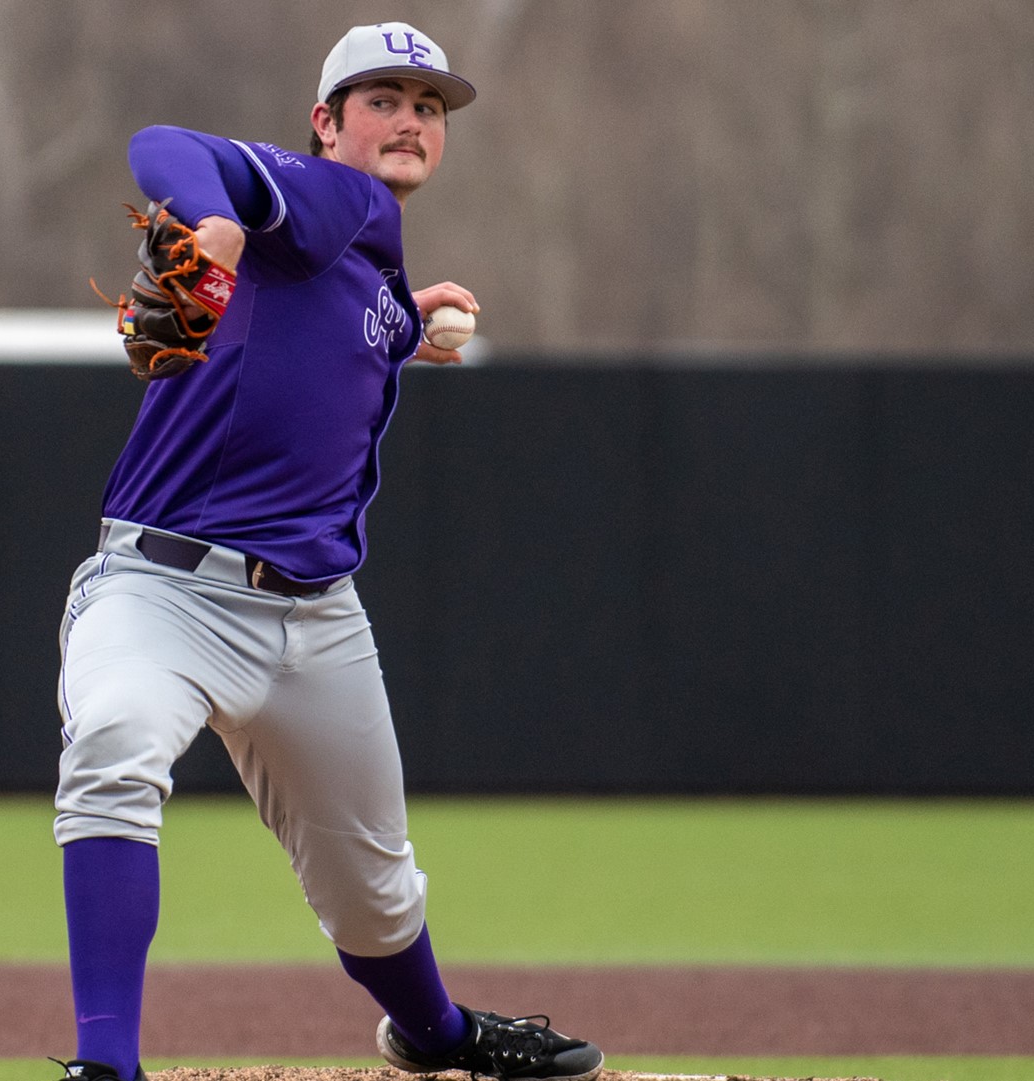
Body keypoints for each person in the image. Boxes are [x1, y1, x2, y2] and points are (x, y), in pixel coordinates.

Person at [51, 22, 602, 1081]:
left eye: (428, 106)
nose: (410, 119)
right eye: (382, 98)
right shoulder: (328, 197)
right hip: (165, 591)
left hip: (314, 617)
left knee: (376, 888)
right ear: (326, 123)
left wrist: (406, 320)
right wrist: (213, 223)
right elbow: (165, 139)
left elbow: (327, 331)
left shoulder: (372, 254)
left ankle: (436, 1035)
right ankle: (107, 1064)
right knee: (114, 749)